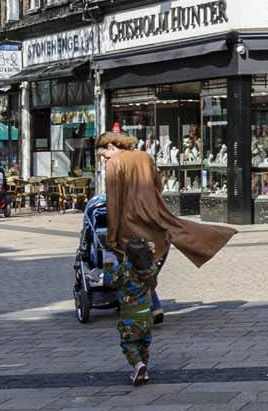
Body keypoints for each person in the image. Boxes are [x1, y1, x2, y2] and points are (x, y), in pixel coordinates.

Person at [99, 131, 235, 318]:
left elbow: (113, 202)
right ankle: (155, 307)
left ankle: (149, 309)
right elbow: (158, 185)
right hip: (155, 220)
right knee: (147, 265)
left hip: (129, 224)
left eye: (103, 154)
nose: (103, 159)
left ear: (111, 146)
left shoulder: (114, 163)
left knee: (134, 268)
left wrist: (112, 235)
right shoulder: (145, 157)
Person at [108, 234, 160, 386]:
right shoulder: (150, 269)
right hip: (146, 316)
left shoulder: (125, 269)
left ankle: (138, 365)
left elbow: (111, 282)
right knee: (143, 344)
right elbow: (150, 256)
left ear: (127, 255)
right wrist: (150, 250)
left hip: (130, 317)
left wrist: (108, 266)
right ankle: (143, 372)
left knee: (128, 344)